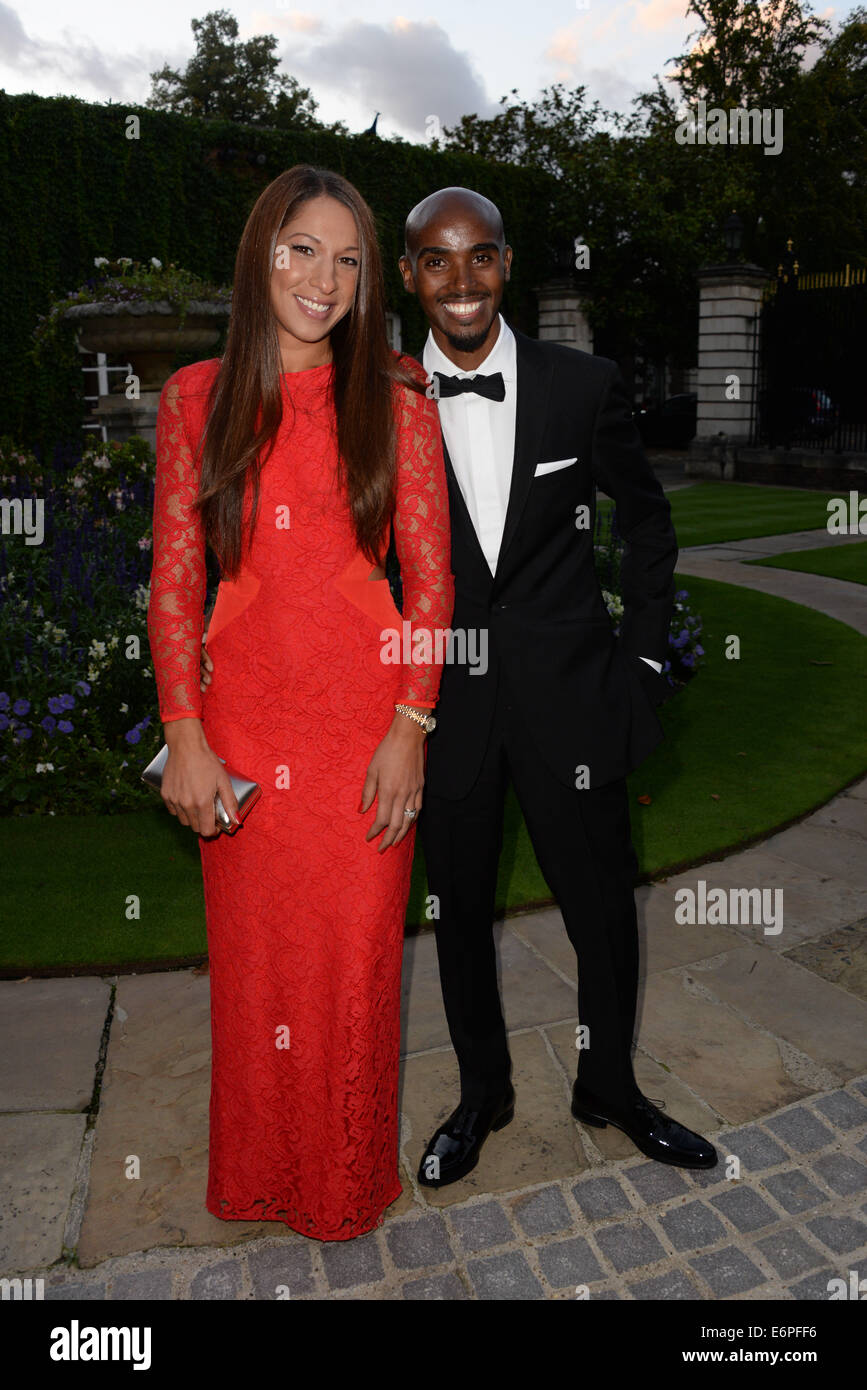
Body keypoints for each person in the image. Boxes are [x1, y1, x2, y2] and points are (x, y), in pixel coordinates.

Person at [146, 164, 454, 1241]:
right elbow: (177, 583)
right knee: (256, 968)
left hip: (367, 731)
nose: (324, 279)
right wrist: (183, 734)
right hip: (242, 730)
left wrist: (411, 727)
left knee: (357, 963)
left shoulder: (402, 395)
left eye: (348, 259)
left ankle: (339, 1181)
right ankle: (265, 1171)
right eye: (300, 250)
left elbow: (433, 578)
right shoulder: (194, 398)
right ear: (258, 257)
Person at [398, 188, 717, 1184]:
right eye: (438, 261)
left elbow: (646, 520)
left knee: (603, 911)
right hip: (442, 705)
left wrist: (649, 655)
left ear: (506, 265)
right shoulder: (375, 398)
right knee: (456, 919)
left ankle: (608, 1083)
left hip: (574, 694)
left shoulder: (584, 384)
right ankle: (482, 1092)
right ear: (409, 274)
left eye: (481, 256)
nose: (462, 281)